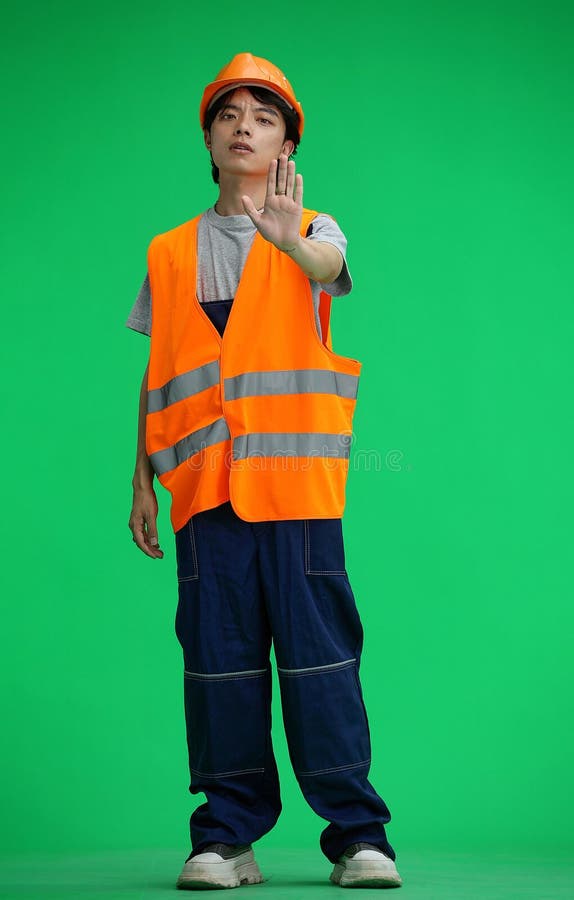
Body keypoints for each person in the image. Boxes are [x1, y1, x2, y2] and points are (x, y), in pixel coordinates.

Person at [126, 52, 402, 890]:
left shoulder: (314, 228)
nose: (243, 126)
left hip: (295, 497)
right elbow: (159, 373)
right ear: (209, 140)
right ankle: (225, 838)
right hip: (203, 497)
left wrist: (290, 242)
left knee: (321, 665)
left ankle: (358, 837)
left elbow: (328, 273)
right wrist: (140, 481)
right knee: (219, 669)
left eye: (263, 116)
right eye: (228, 114)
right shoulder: (169, 252)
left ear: (286, 144)